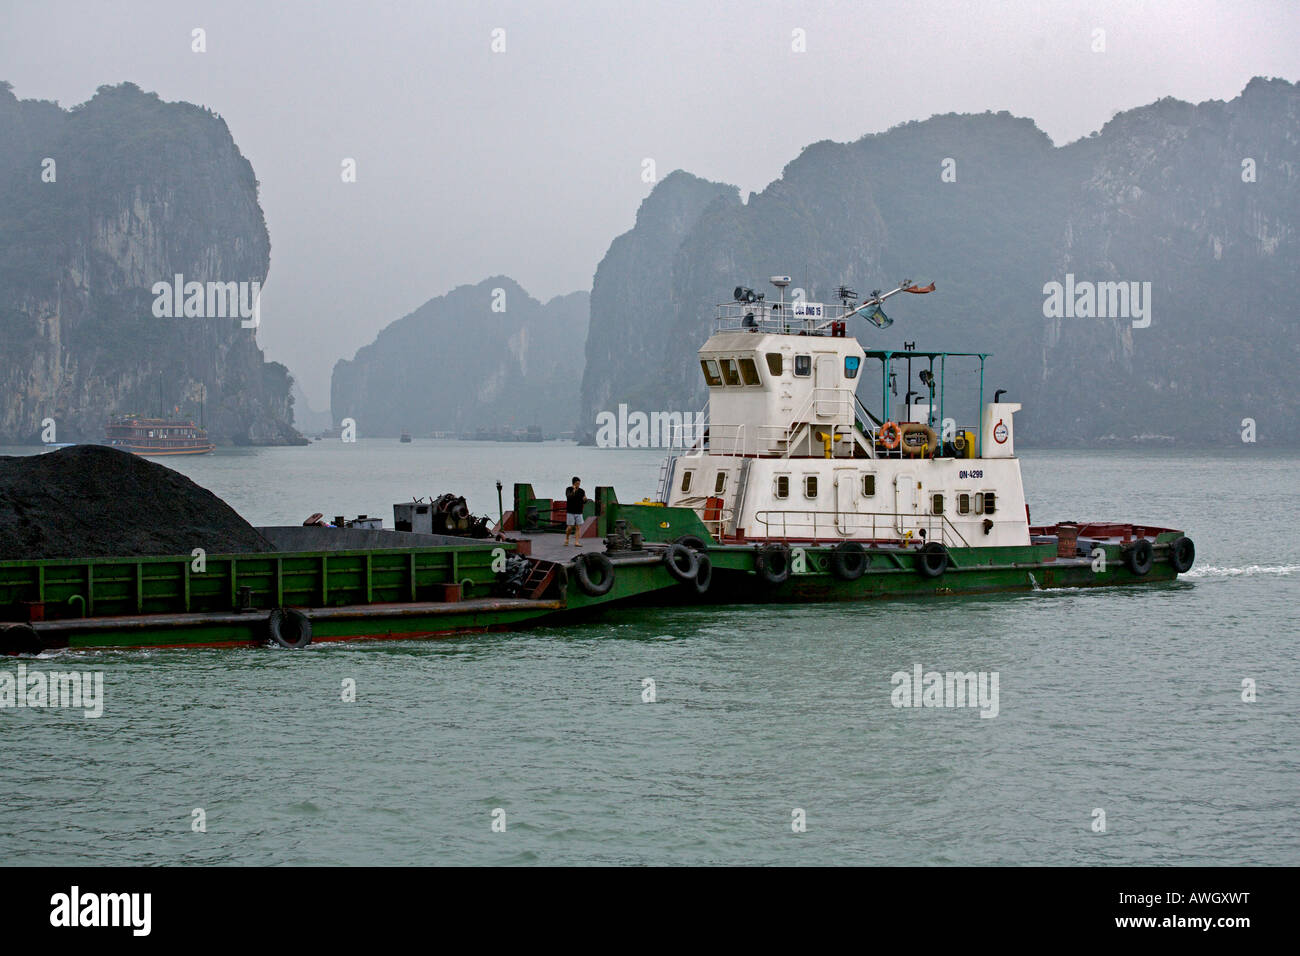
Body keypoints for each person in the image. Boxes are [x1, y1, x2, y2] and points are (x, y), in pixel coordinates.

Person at [564, 476, 587, 547]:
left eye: (579, 483)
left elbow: (584, 502)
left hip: (579, 512)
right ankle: (567, 538)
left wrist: (585, 500)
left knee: (578, 527)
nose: (578, 485)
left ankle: (576, 542)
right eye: (577, 483)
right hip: (570, 511)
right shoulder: (569, 489)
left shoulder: (582, 491)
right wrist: (573, 491)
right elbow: (568, 497)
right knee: (570, 527)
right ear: (573, 483)